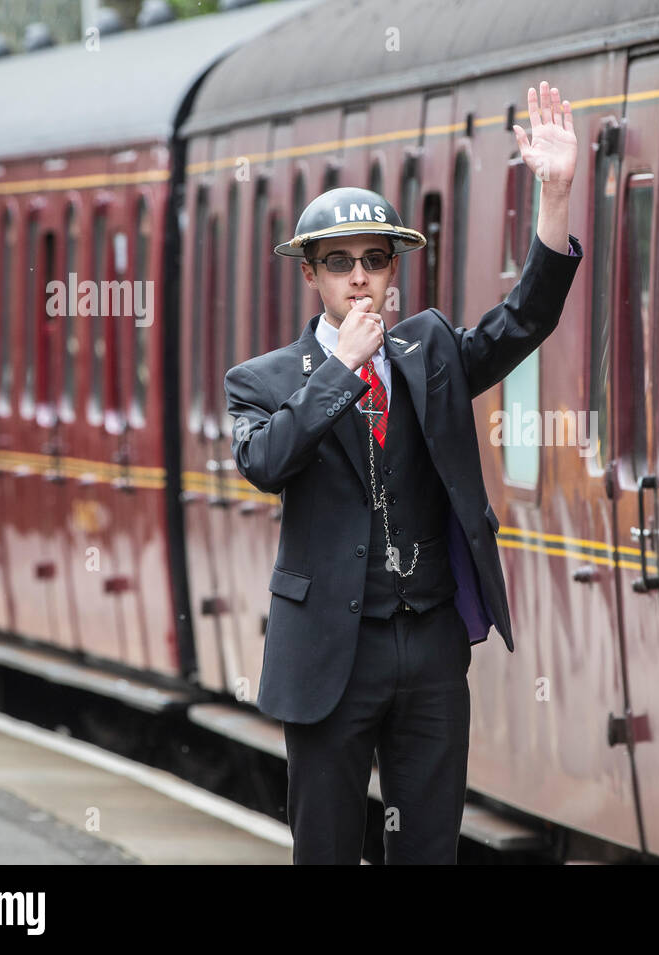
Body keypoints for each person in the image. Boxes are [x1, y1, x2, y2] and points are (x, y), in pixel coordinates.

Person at [224, 81, 582, 864]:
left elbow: (524, 319)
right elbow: (265, 461)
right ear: (312, 275)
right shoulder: (263, 378)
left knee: (429, 851)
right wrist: (340, 370)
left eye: (376, 261)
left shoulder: (432, 351)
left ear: (395, 272)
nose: (360, 277)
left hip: (428, 644)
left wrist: (553, 200)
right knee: (324, 849)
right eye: (340, 262)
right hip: (328, 652)